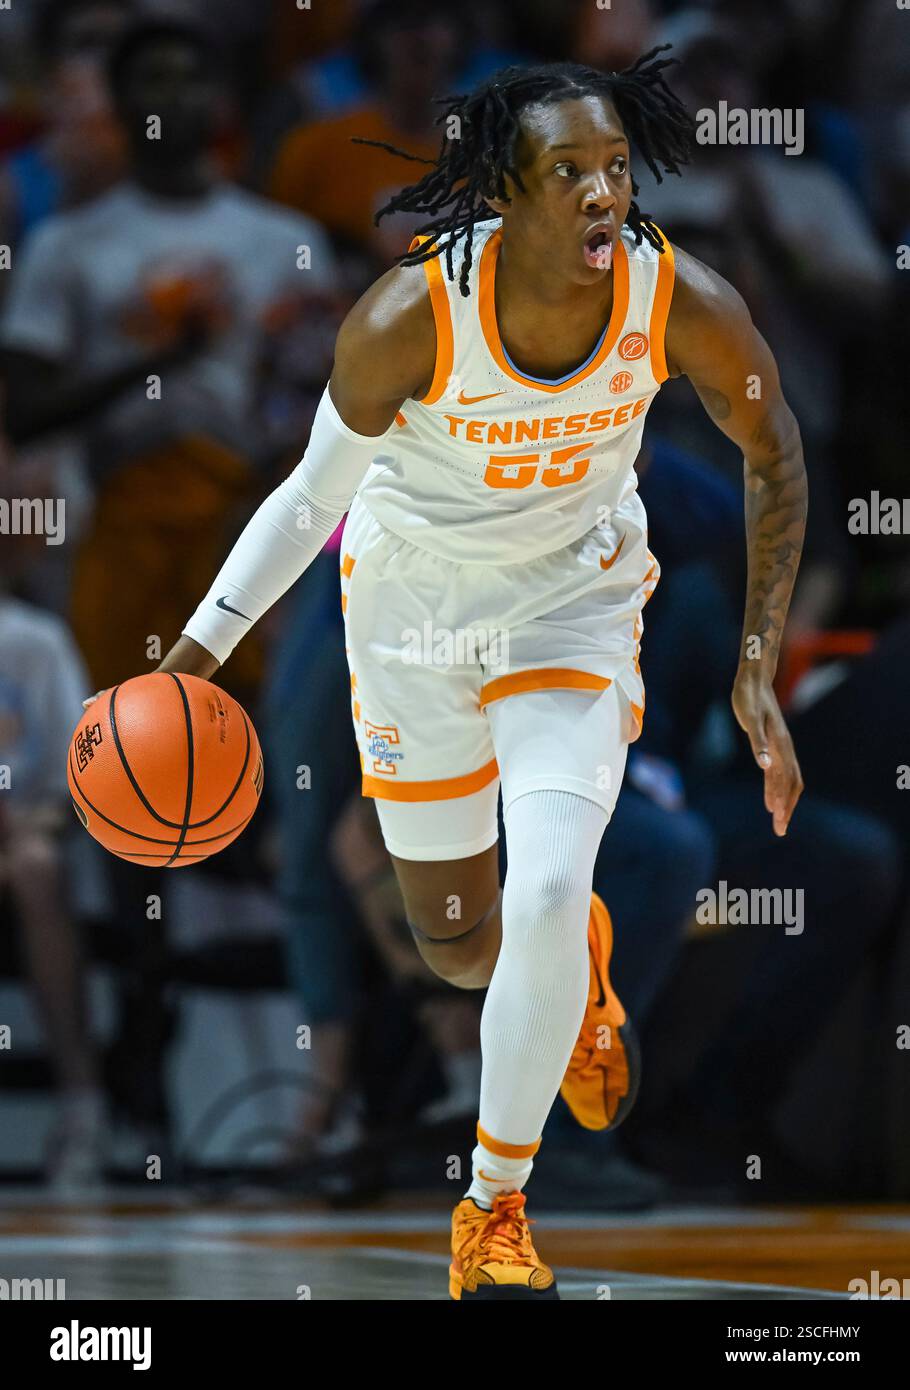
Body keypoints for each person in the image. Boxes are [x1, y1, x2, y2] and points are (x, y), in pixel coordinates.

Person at [86, 48, 807, 1298]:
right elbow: (310, 500)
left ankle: (494, 1204)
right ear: (502, 195)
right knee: (462, 946)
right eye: (568, 172)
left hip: (571, 616)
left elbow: (776, 451)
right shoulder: (406, 318)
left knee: (537, 891)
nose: (601, 195)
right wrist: (194, 660)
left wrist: (755, 668)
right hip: (413, 623)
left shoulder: (673, 297)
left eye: (615, 169)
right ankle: (569, 976)